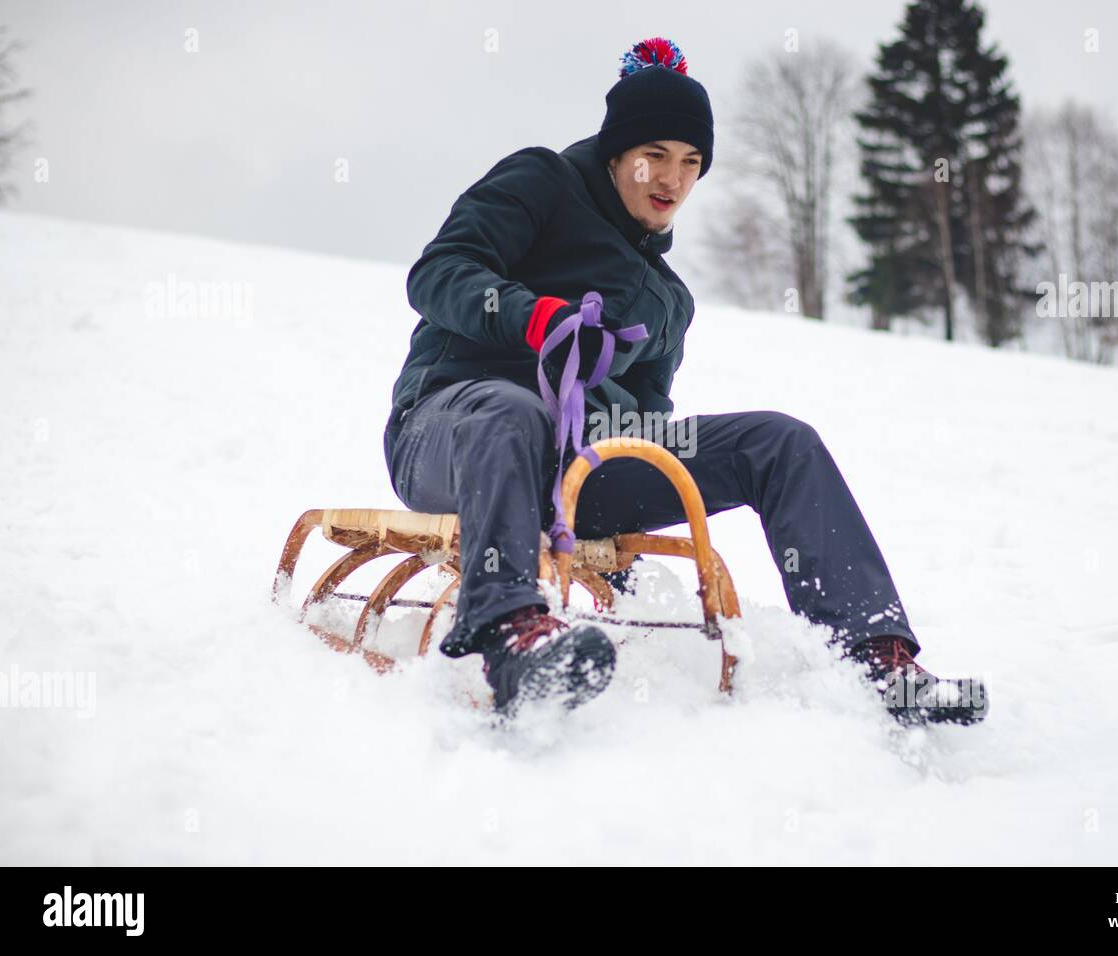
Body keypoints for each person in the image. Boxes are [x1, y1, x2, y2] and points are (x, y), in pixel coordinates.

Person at [383, 37, 987, 723]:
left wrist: (619, 553)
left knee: (780, 442)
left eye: (692, 163)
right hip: (452, 430)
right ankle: (509, 634)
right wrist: (535, 319)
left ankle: (877, 658)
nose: (672, 180)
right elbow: (438, 272)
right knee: (515, 409)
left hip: (577, 471)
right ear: (616, 152)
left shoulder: (669, 302)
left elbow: (643, 428)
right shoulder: (540, 182)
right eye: (655, 155)